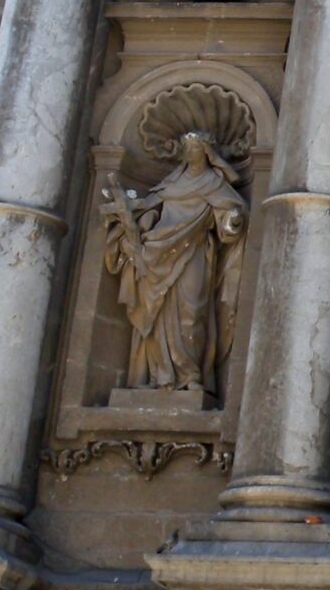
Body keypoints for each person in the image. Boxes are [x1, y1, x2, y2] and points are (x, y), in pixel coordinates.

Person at [102, 130, 248, 401]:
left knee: (192, 312)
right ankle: (160, 375)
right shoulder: (170, 183)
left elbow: (230, 215)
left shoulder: (214, 184)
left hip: (193, 253)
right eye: (186, 148)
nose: (189, 152)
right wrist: (131, 215)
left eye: (195, 147)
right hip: (157, 254)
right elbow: (147, 208)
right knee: (156, 312)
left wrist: (233, 221)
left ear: (206, 151)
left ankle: (191, 375)